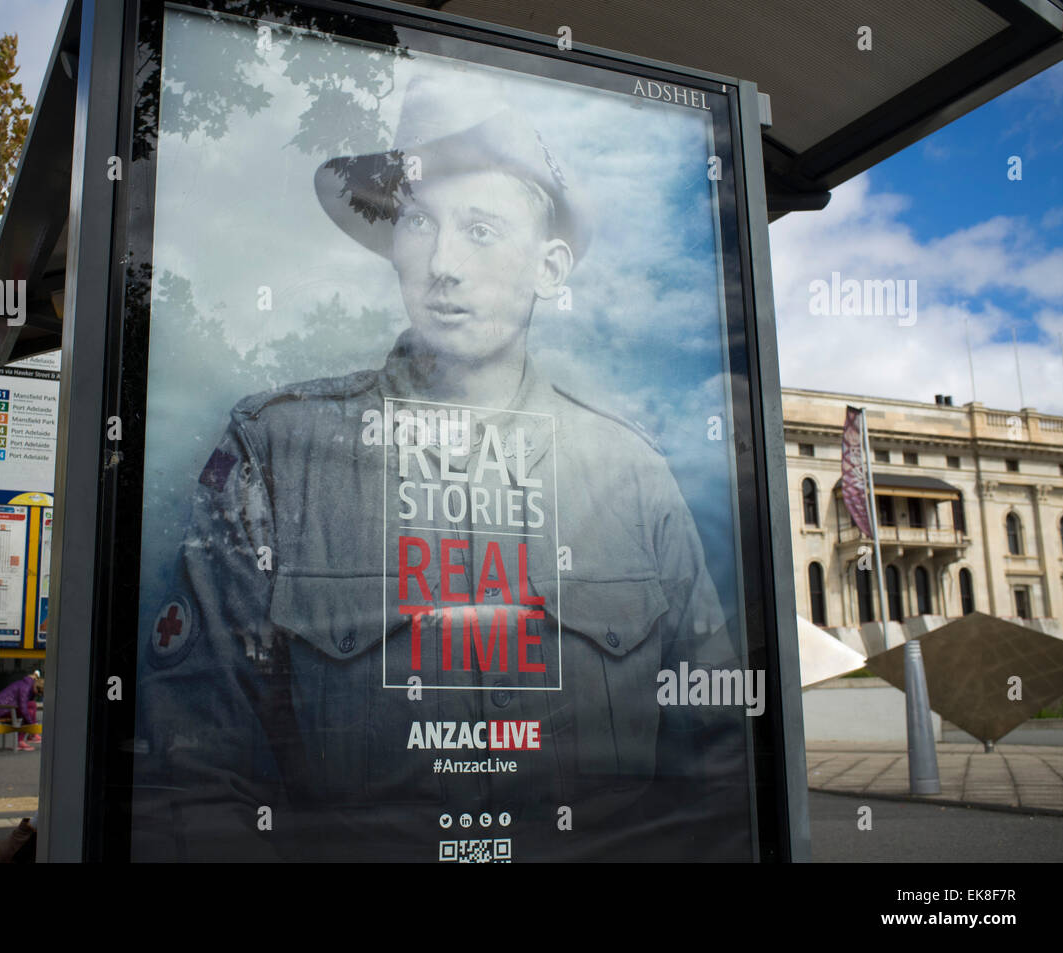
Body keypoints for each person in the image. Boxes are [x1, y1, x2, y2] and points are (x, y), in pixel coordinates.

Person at [136, 77, 748, 860]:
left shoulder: (630, 477)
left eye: (483, 229)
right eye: (420, 223)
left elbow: (715, 764)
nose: (443, 263)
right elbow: (198, 772)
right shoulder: (281, 454)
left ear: (549, 267)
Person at [0, 671, 43, 750]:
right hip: (4, 708)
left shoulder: (29, 686)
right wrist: (32, 725)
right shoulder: (25, 688)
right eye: (39, 692)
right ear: (36, 686)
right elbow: (23, 708)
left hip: (8, 707)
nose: (38, 694)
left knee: (32, 705)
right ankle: (22, 740)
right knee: (28, 711)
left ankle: (30, 735)